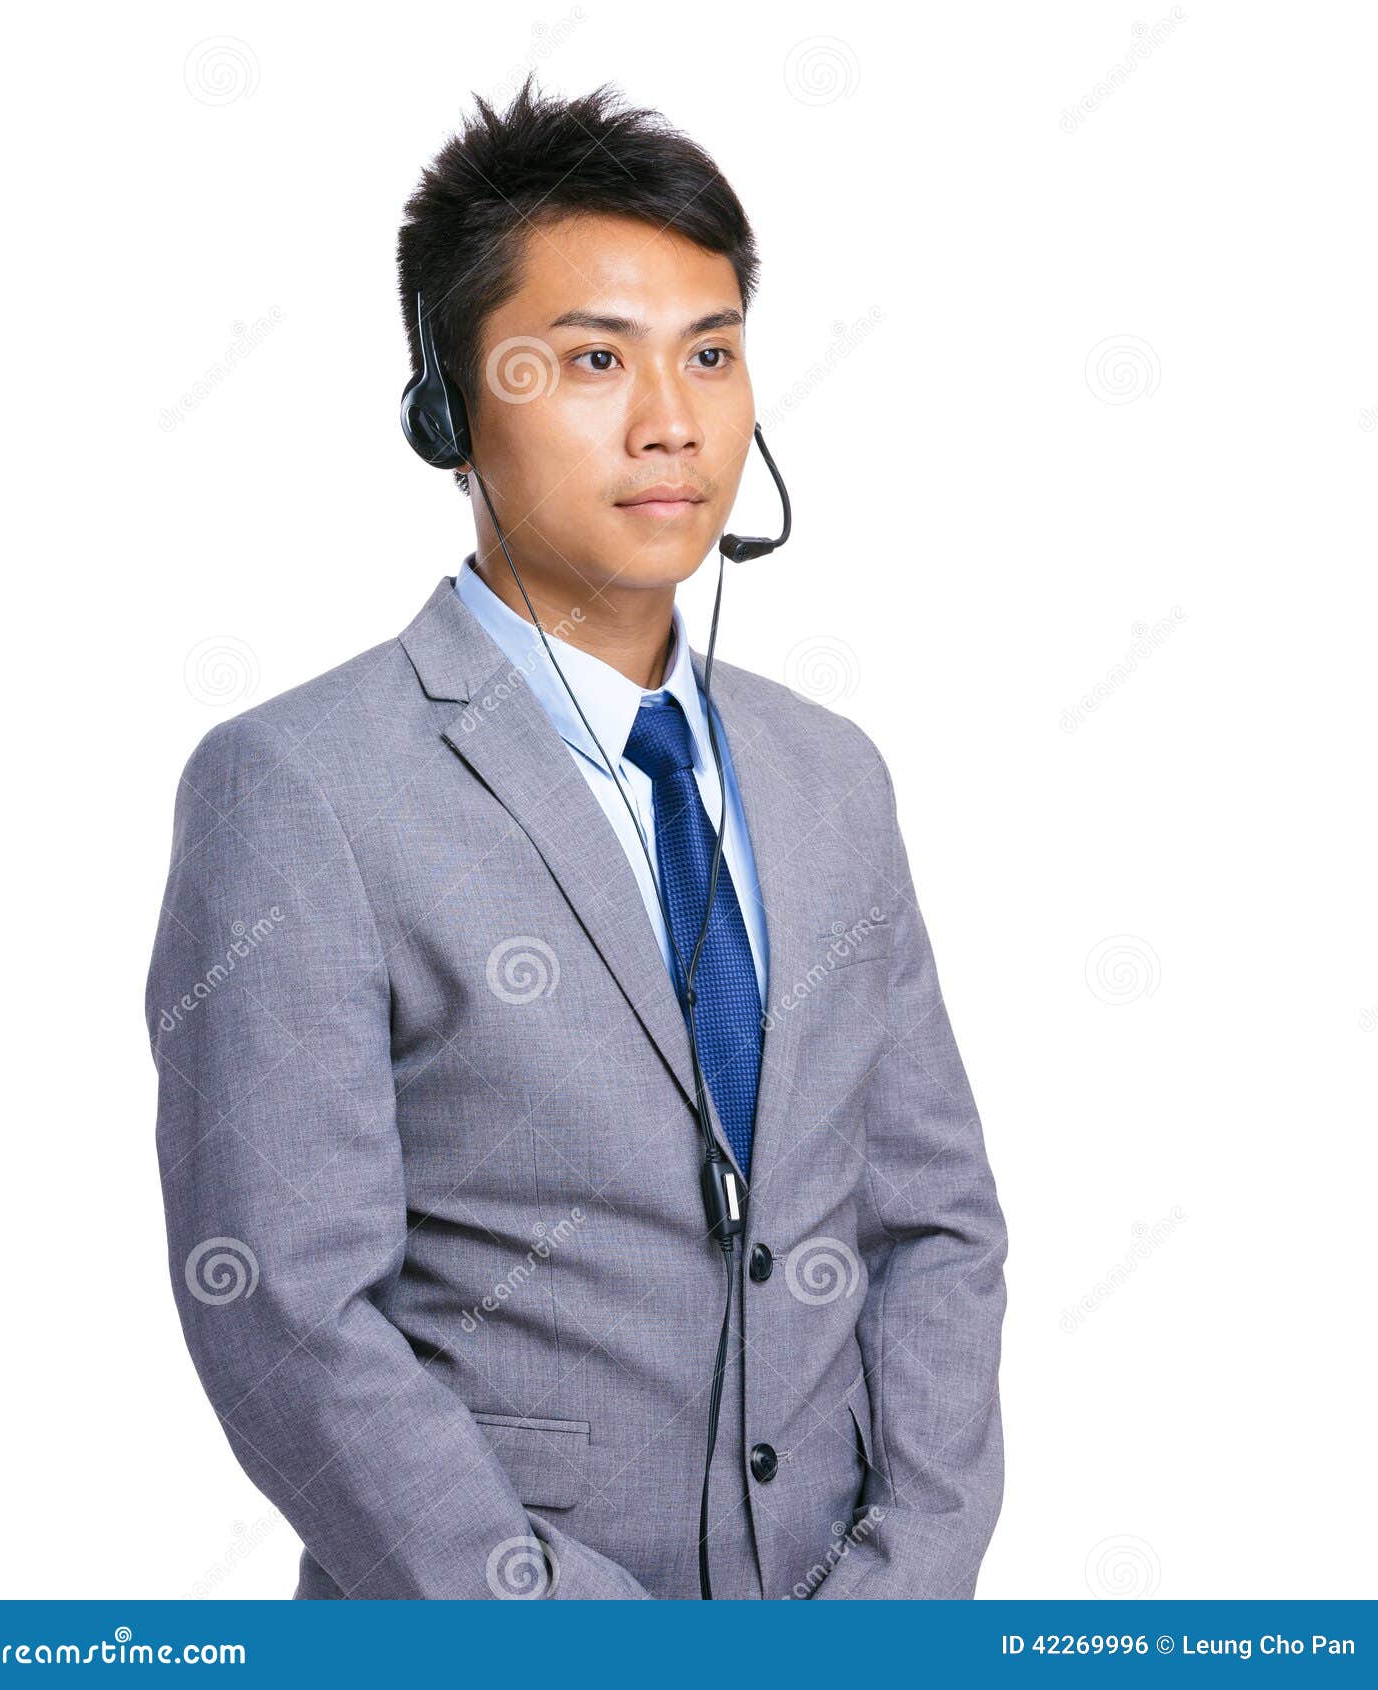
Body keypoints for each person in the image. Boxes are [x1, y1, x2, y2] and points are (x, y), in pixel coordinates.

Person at [145, 75, 1008, 1601]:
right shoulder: (294, 787)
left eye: (712, 354)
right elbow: (289, 1310)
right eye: (591, 358)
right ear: (445, 405)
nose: (671, 421)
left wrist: (905, 1584)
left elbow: (930, 1224)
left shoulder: (829, 777)